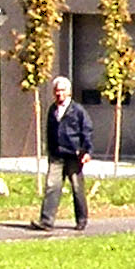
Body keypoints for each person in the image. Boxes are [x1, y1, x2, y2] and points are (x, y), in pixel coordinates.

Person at [39, 75, 94, 230]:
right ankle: (46, 221)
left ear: (69, 92)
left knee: (77, 188)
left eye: (62, 90)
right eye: (57, 91)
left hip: (73, 155)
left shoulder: (78, 110)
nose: (59, 94)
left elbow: (87, 130)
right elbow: (49, 131)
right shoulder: (52, 109)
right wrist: (49, 150)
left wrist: (87, 151)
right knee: (52, 186)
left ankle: (81, 220)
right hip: (57, 155)